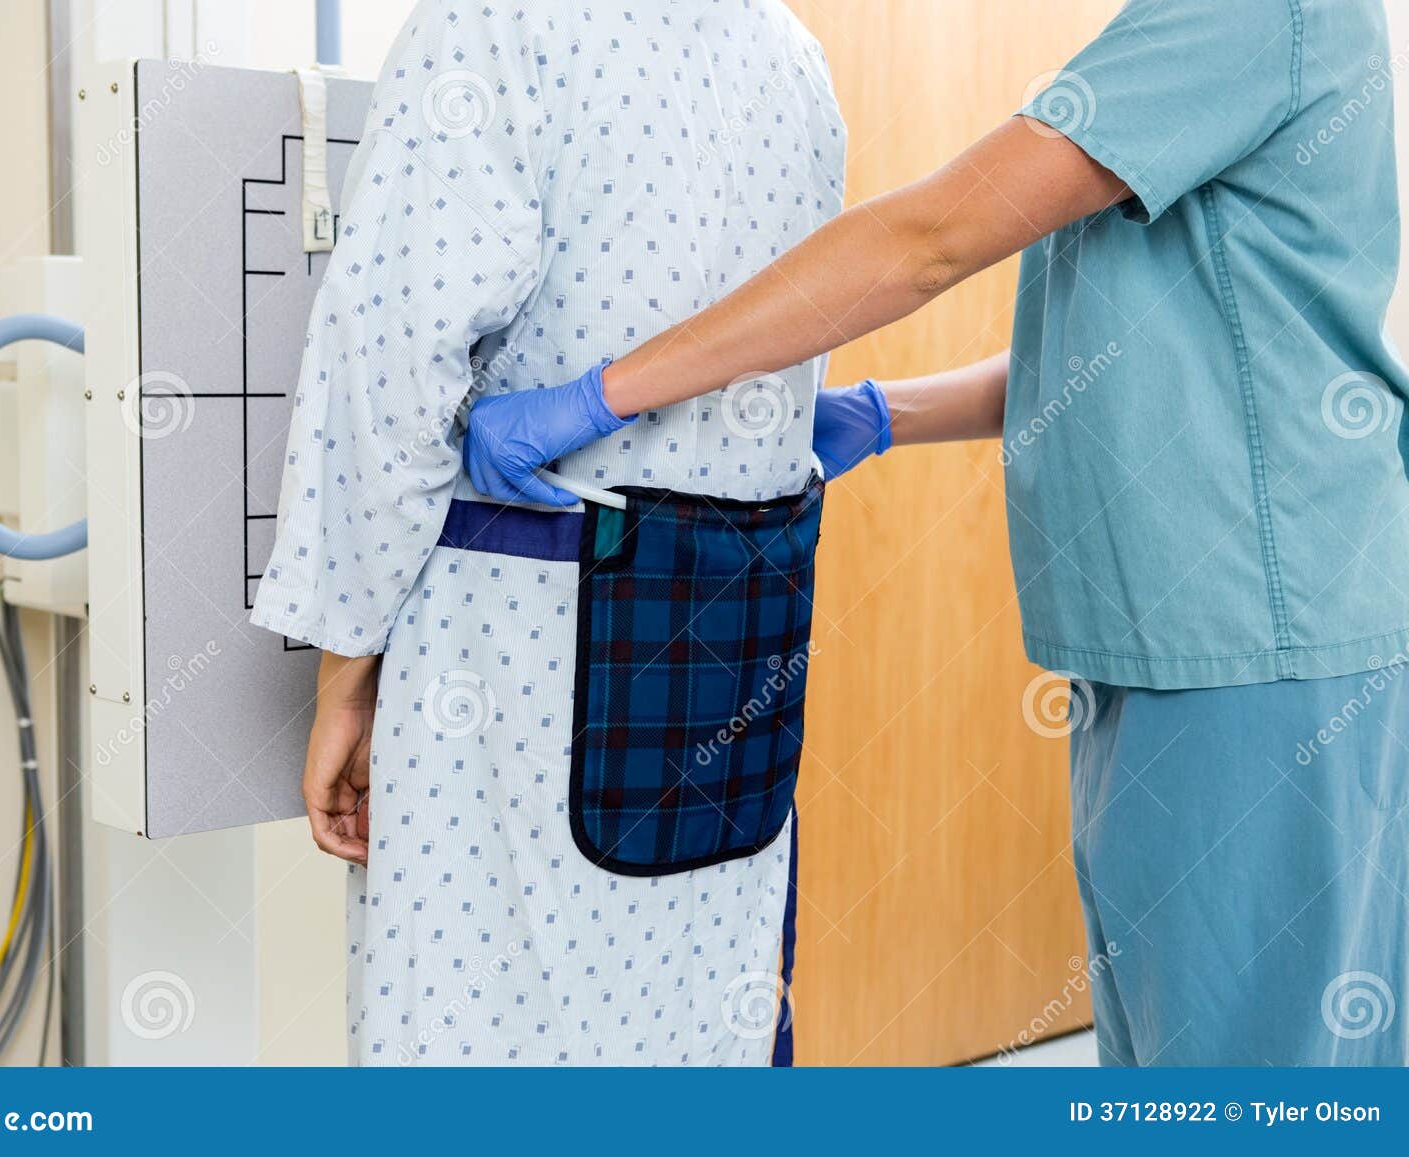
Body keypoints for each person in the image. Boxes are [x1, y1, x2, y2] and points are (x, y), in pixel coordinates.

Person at [465, 0, 1409, 1066]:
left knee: (1251, 1081)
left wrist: (608, 392)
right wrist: (881, 412)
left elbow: (932, 238)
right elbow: (1145, 352)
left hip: (1255, 633)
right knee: (1170, 1055)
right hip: (1179, 634)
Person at [252, 0, 845, 1064]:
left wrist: (345, 668)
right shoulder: (793, 54)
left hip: (518, 665)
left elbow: (388, 370)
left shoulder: (494, 26)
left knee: (489, 1039)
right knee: (702, 1022)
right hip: (733, 642)